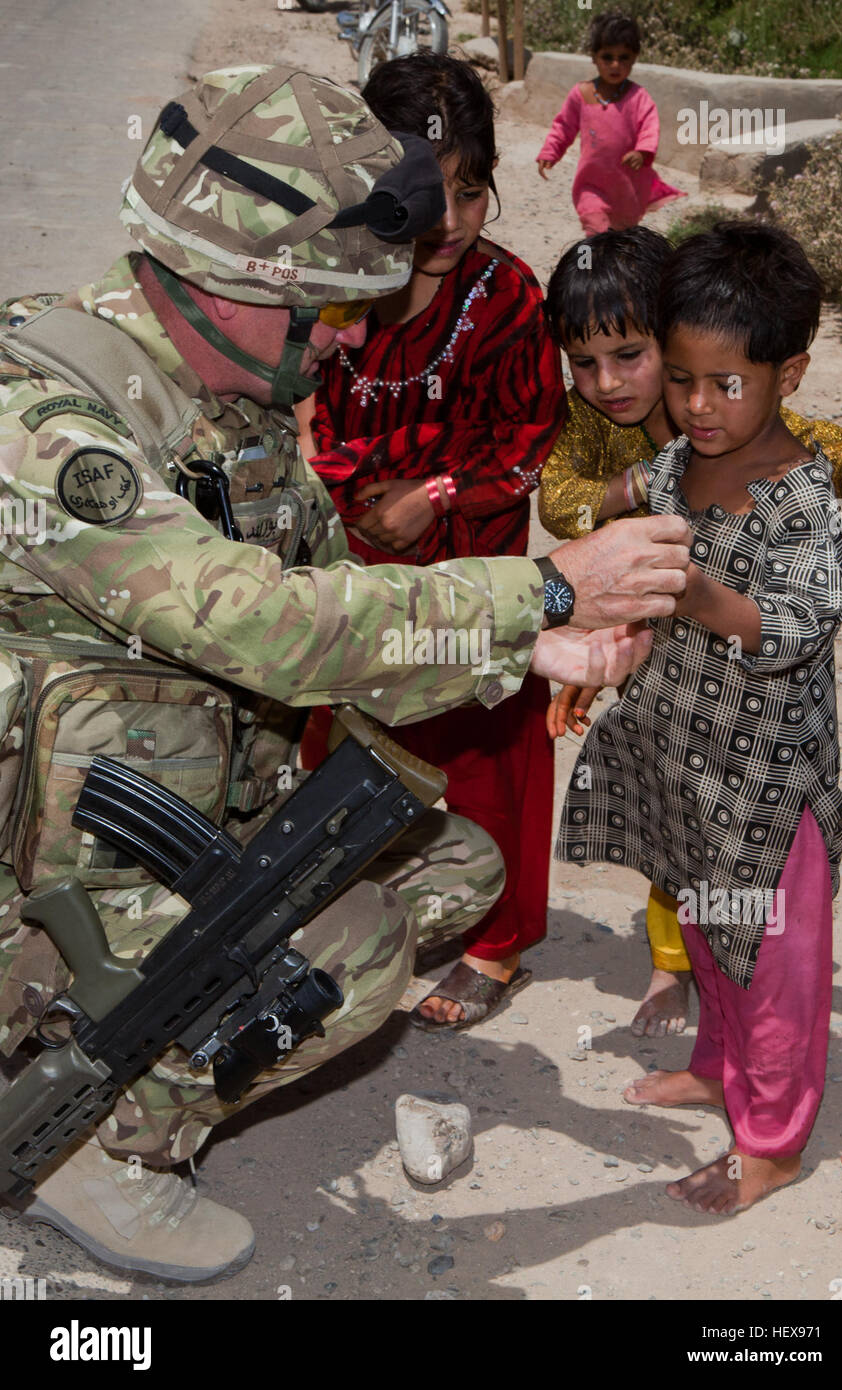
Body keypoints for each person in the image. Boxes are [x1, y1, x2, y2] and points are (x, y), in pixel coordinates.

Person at [0, 66, 690, 1282]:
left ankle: (128, 1041)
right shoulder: (50, 420)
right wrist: (539, 588)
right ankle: (94, 1148)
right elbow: (261, 623)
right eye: (329, 308)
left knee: (452, 863)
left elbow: (352, 619)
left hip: (156, 810)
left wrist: (534, 651)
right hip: (32, 861)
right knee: (351, 943)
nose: (353, 338)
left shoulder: (241, 405)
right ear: (233, 284)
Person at [554, 221, 842, 1214]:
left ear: (789, 373)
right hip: (685, 760)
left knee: (770, 965)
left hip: (770, 793)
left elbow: (791, 624)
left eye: (723, 383)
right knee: (708, 929)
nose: (695, 403)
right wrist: (591, 667)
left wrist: (695, 592)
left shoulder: (799, 494)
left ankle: (768, 1142)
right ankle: (719, 1068)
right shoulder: (677, 462)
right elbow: (633, 584)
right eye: (680, 379)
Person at [298, 54, 566, 1031]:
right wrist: (348, 499)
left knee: (485, 752)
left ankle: (496, 946)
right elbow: (308, 416)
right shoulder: (341, 284)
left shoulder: (507, 300)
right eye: (427, 193)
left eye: (470, 190)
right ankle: (380, 900)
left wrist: (436, 496)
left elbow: (528, 442)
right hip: (355, 574)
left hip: (471, 573)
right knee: (346, 745)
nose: (450, 220)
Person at [535, 10, 685, 236]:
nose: (615, 65)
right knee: (595, 226)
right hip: (591, 183)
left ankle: (618, 267)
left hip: (626, 185)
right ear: (594, 57)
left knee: (623, 234)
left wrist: (642, 151)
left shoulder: (638, 97)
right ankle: (593, 265)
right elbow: (564, 126)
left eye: (623, 57)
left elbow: (650, 126)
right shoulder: (581, 94)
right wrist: (550, 151)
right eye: (607, 57)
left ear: (634, 58)